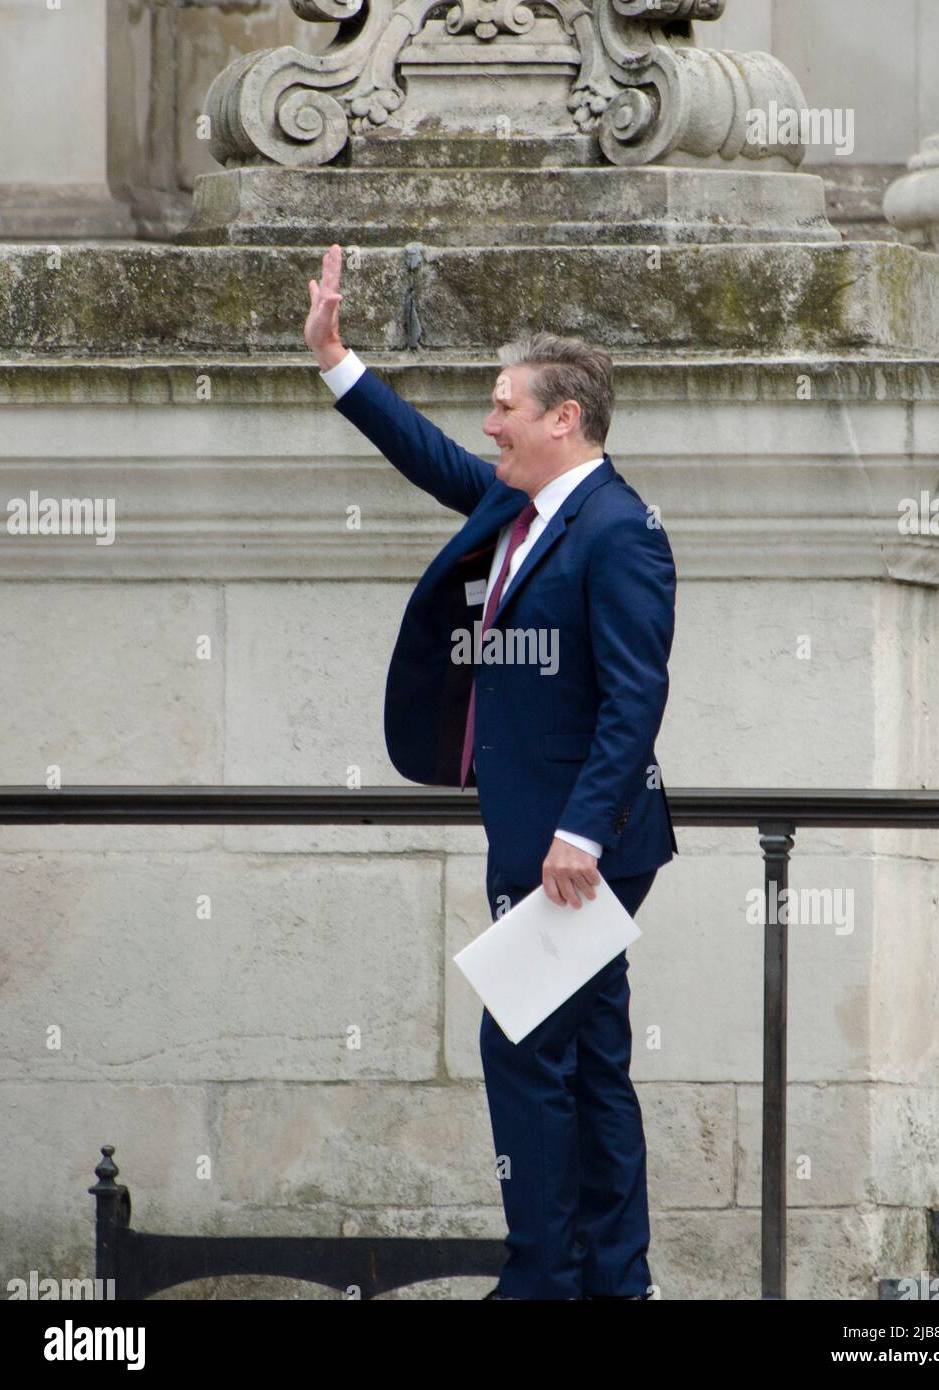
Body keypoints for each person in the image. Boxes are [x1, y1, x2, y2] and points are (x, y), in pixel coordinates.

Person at [304, 245, 677, 1300]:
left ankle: (542, 1280)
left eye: (503, 404)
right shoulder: (520, 507)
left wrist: (582, 836)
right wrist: (337, 360)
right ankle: (614, 1280)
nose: (488, 423)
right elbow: (428, 455)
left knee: (521, 1047)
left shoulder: (618, 531)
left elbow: (632, 698)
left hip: (578, 843)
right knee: (589, 1059)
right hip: (544, 832)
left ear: (564, 418)